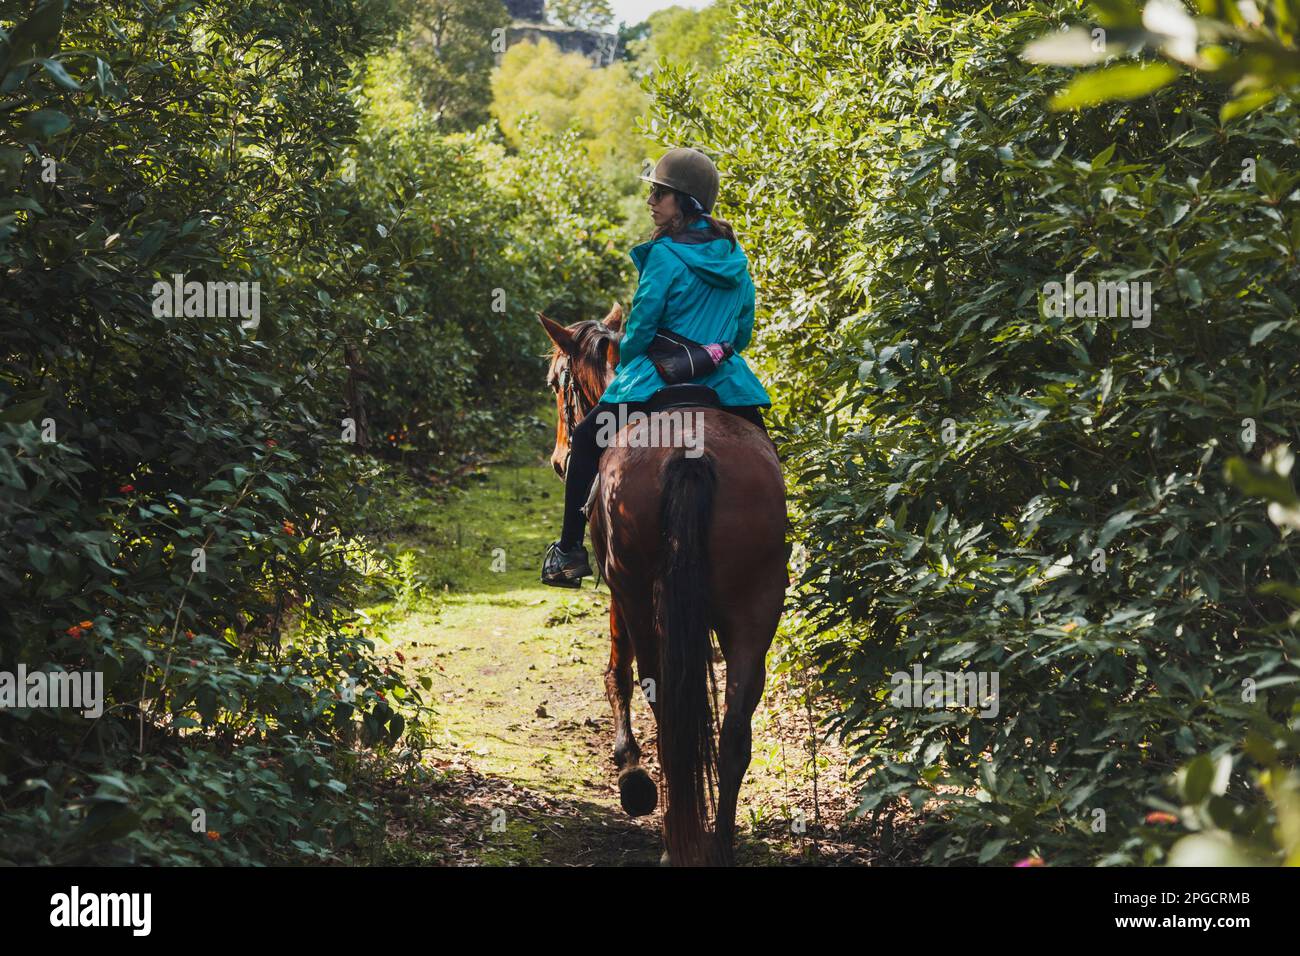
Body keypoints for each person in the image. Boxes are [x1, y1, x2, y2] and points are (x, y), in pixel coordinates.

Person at [541, 147, 773, 587]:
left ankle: (569, 551)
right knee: (763, 448)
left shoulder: (663, 257)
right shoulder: (736, 259)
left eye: (660, 194)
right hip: (726, 384)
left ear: (686, 203)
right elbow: (741, 334)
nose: (651, 202)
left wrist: (630, 362)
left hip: (654, 382)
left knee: (588, 439)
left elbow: (642, 328)